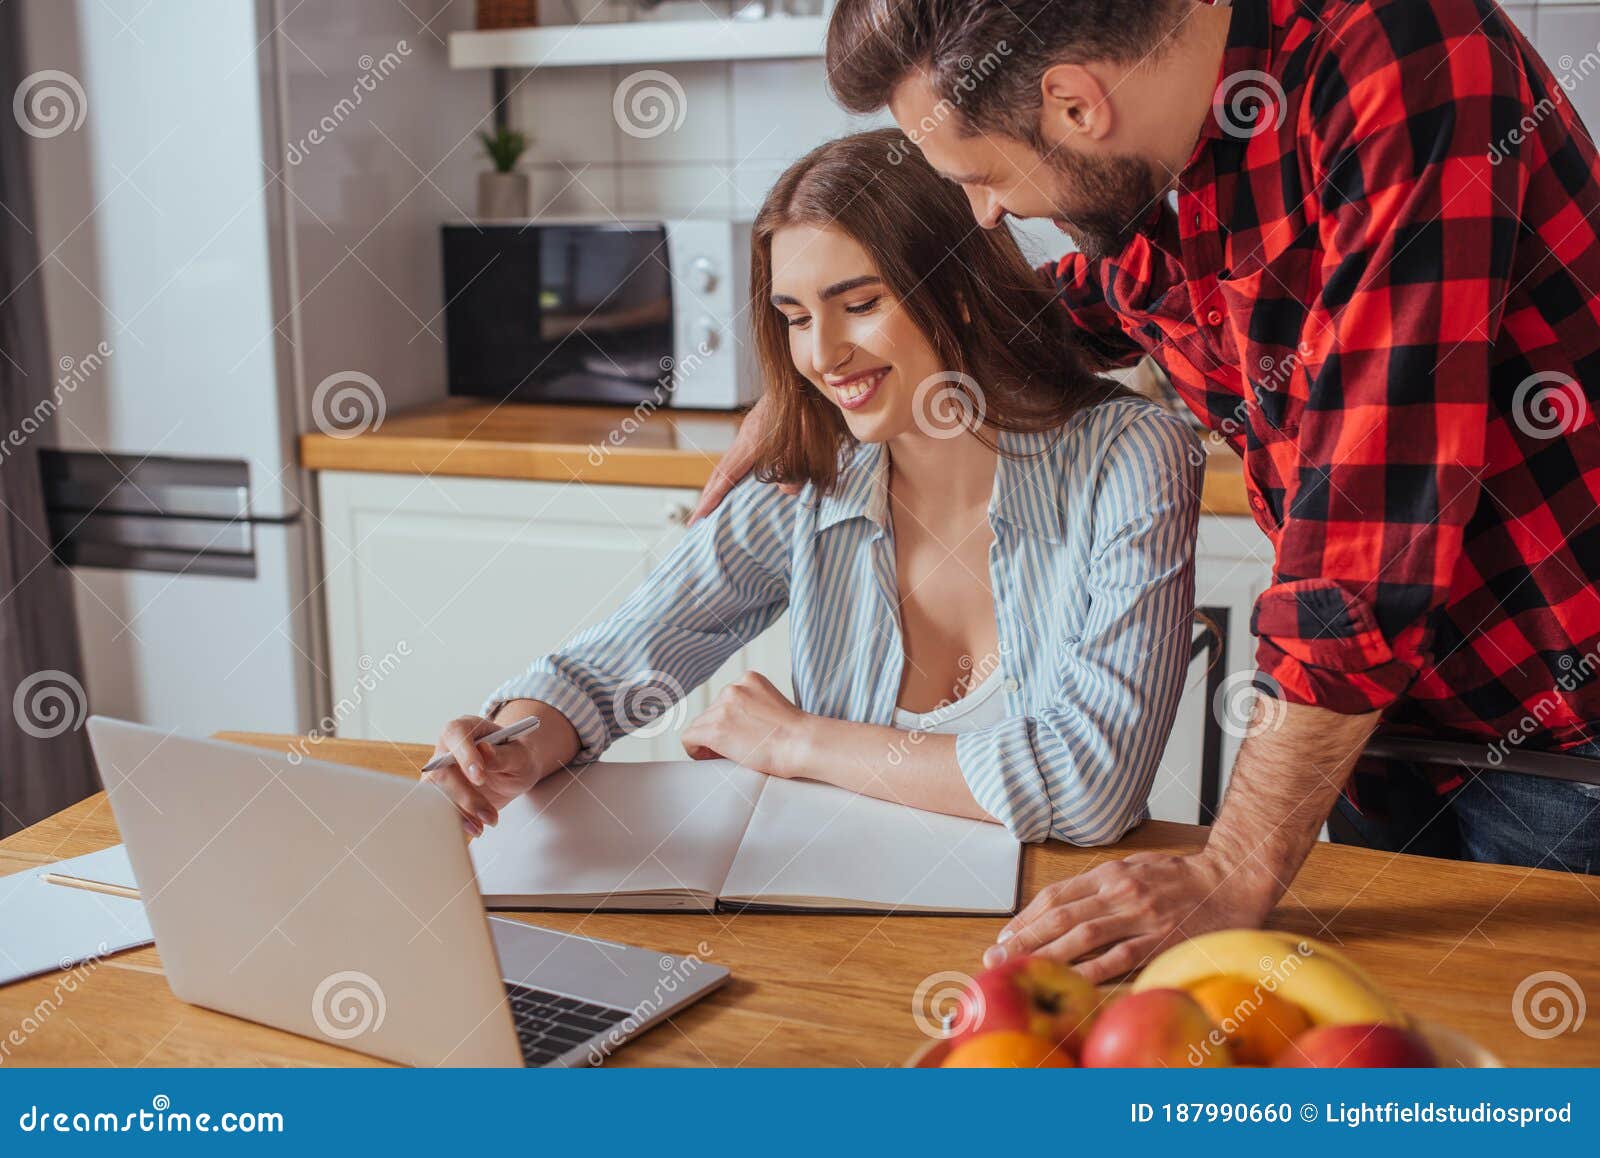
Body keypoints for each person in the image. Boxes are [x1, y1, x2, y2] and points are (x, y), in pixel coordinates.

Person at [694, 0, 1600, 980]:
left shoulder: (1406, 60)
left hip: (1563, 737)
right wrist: (835, 381)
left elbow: (1364, 539)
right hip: (1372, 735)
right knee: (1377, 1073)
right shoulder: (1152, 162)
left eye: (983, 178)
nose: (987, 215)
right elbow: (1097, 302)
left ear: (1075, 106)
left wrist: (1232, 866)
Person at [428, 129, 1203, 851]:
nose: (824, 355)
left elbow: (1091, 784)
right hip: (845, 927)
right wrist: (514, 744)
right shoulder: (811, 478)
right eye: (795, 318)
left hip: (1059, 934)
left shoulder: (1131, 458)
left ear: (960, 291)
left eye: (860, 306)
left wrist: (795, 740)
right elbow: (605, 671)